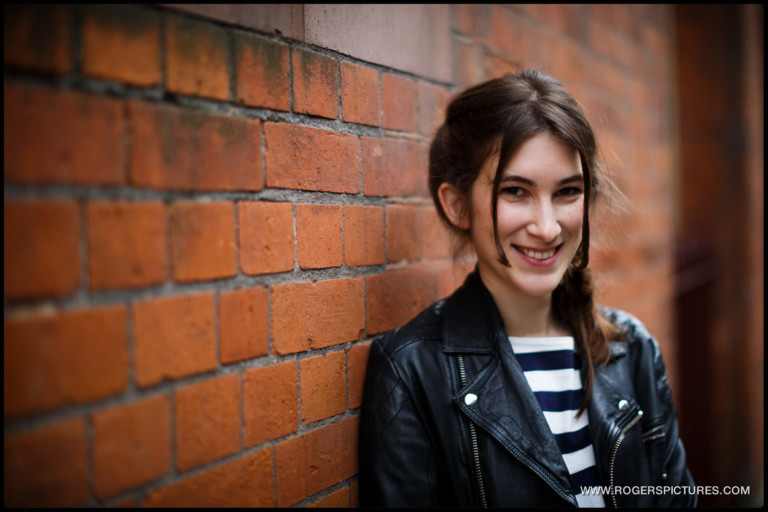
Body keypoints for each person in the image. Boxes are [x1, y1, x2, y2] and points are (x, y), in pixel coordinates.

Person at [358, 69, 696, 507]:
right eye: (516, 191)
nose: (547, 226)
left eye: (567, 192)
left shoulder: (632, 349)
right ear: (458, 205)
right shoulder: (412, 370)